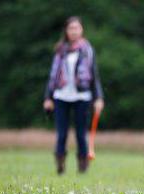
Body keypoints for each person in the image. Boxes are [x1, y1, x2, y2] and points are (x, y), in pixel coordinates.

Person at [43, 16, 104, 175]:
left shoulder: (87, 50)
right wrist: (48, 97)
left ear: (81, 30)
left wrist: (99, 98)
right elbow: (53, 75)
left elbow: (94, 75)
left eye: (76, 28)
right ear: (66, 31)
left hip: (82, 96)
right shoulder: (60, 50)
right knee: (61, 134)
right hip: (61, 95)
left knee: (80, 134)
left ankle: (82, 167)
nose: (74, 31)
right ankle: (60, 165)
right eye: (71, 28)